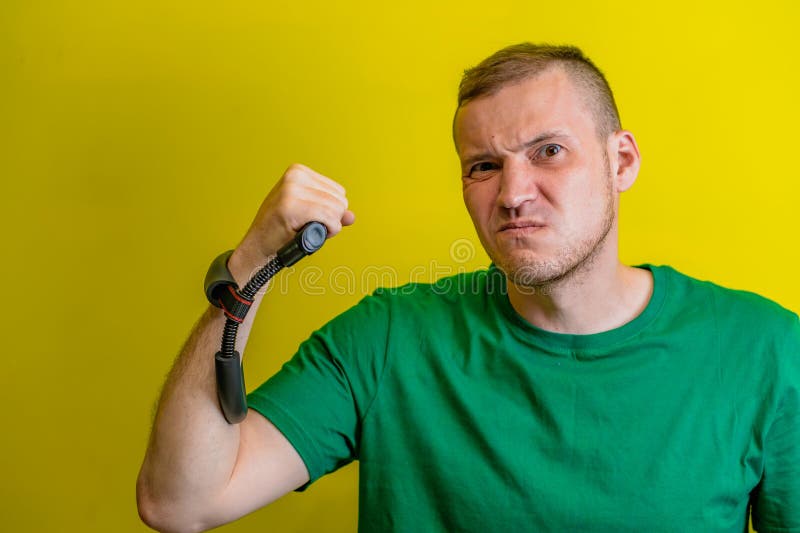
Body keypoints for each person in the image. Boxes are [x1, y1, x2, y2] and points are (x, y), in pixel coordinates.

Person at [137, 43, 800, 532]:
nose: (513, 194)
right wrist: (252, 263)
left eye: (548, 151)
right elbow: (179, 501)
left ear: (620, 160)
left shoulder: (766, 350)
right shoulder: (390, 337)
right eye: (484, 165)